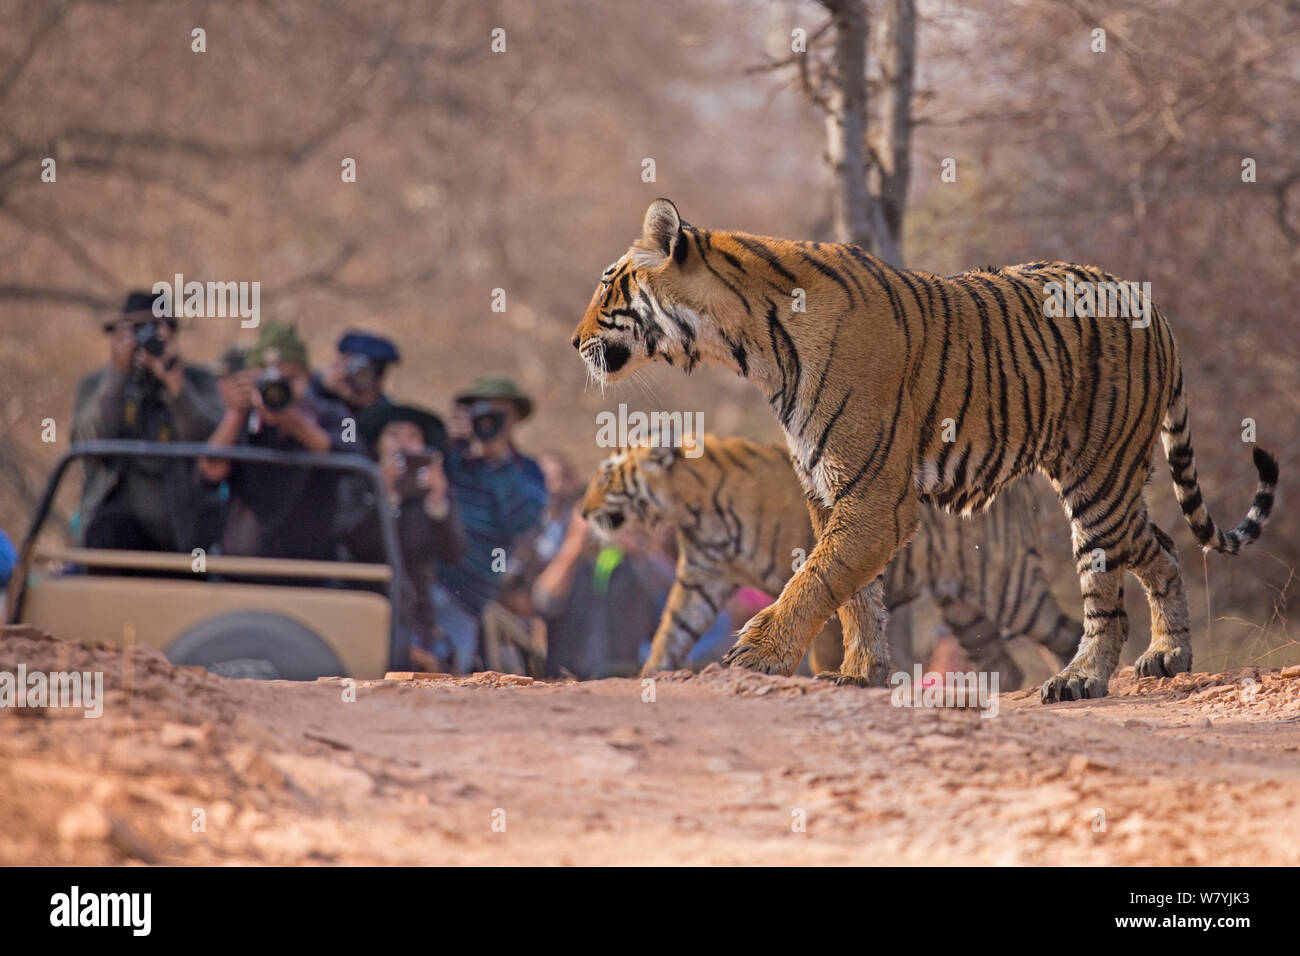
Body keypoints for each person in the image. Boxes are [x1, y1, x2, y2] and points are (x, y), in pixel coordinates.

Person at [72, 290, 223, 553]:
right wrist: (118, 377)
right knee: (107, 530)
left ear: (172, 333)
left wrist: (177, 388)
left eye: (154, 328)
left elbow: (213, 450)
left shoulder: (201, 383)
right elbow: (89, 446)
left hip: (188, 537)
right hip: (119, 536)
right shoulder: (97, 385)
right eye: (137, 329)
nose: (145, 338)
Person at [198, 322, 356, 561]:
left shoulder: (335, 414)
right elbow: (209, 473)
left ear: (307, 377)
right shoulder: (238, 420)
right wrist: (235, 414)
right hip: (244, 565)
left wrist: (296, 424)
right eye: (266, 377)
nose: (277, 387)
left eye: (289, 377)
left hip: (313, 567)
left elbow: (352, 456)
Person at [337, 404, 466, 670]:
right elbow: (354, 542)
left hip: (418, 615)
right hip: (366, 605)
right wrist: (384, 497)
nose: (404, 445)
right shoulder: (358, 484)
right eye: (394, 435)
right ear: (379, 444)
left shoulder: (432, 492)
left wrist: (438, 504)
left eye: (412, 437)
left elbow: (455, 552)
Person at [432, 376, 547, 673]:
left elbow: (521, 521)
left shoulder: (526, 470)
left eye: (500, 414)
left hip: (469, 600)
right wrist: (446, 443)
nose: (490, 421)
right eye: (482, 412)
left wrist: (499, 462)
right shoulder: (449, 456)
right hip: (426, 583)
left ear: (516, 419)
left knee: (451, 676)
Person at [532, 509, 662, 679]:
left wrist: (639, 551)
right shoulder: (567, 564)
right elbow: (544, 603)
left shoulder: (636, 567)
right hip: (564, 680)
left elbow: (660, 615)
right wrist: (574, 544)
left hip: (621, 680)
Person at [310, 330, 399, 420]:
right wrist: (323, 388)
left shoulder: (386, 411)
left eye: (366, 372)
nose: (359, 375)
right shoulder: (310, 385)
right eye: (355, 367)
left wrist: (366, 405)